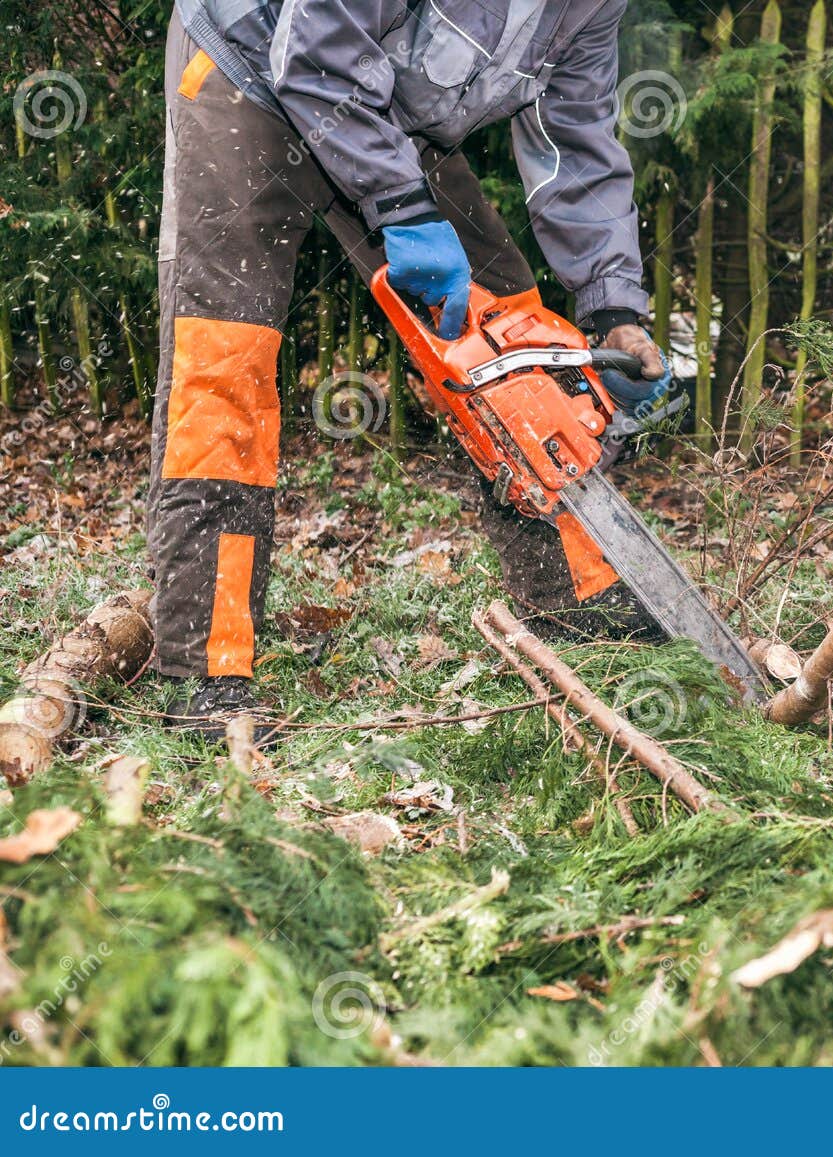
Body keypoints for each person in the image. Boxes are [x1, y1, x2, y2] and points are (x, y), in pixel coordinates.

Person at [150, 0, 669, 740]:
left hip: (374, 102)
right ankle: (207, 673)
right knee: (223, 358)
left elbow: (576, 143)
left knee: (505, 333)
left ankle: (574, 601)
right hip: (249, 65)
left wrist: (614, 307)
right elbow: (316, 46)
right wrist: (398, 204)